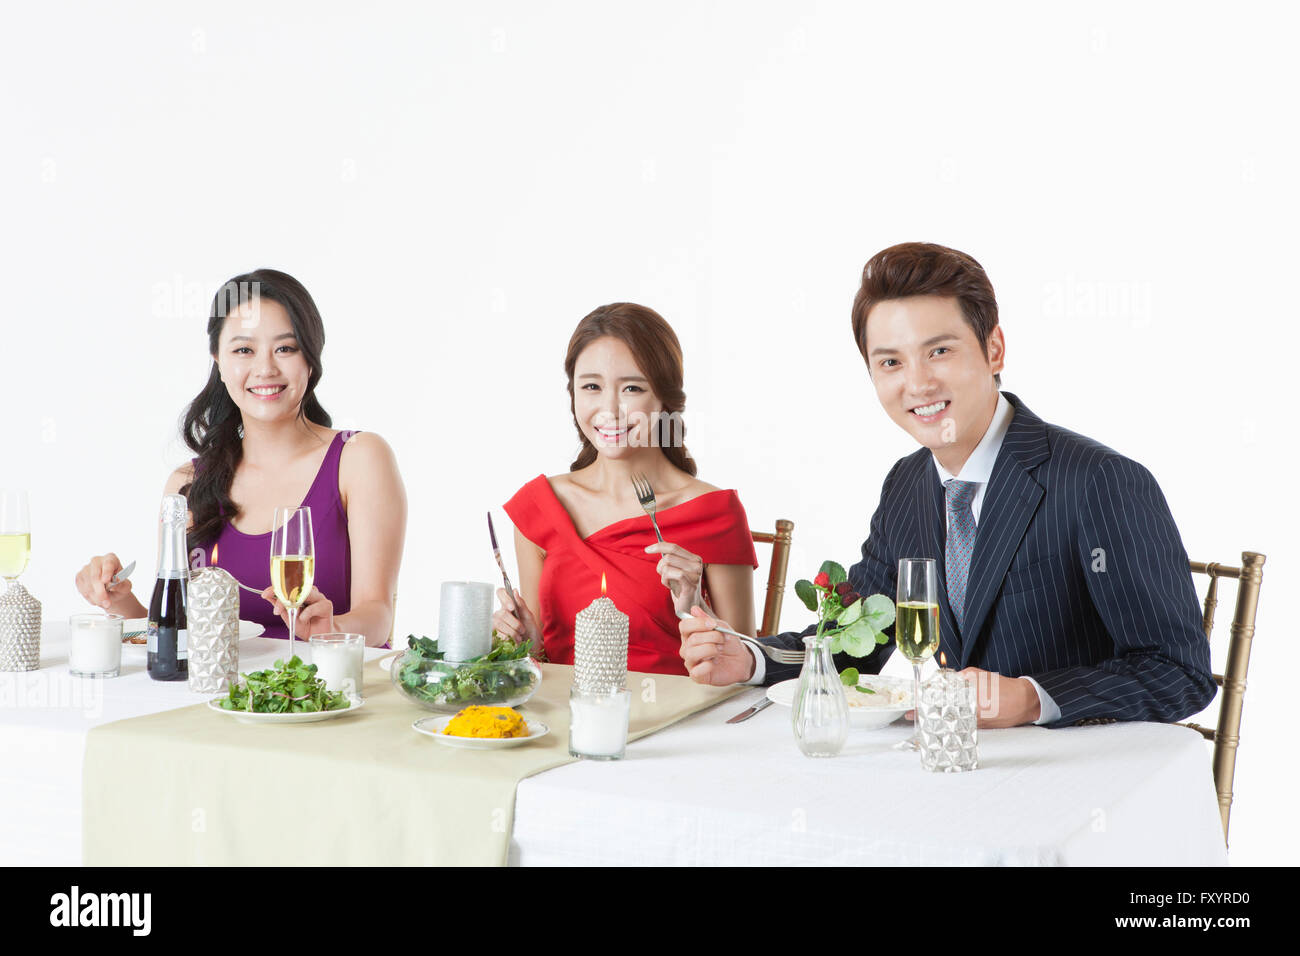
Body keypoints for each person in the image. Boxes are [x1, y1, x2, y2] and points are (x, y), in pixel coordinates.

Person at [679, 242, 1216, 727]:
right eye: (890, 362)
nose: (917, 383)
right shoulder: (907, 484)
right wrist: (748, 659)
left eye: (939, 351)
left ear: (995, 349)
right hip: (954, 772)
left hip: (1076, 786)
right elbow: (856, 638)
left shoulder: (1102, 481)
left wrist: (1032, 698)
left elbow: (1177, 672)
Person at [75, 269, 406, 646]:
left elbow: (378, 612)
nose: (265, 369)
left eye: (286, 348)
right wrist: (118, 601)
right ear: (217, 358)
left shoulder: (358, 458)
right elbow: (177, 635)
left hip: (327, 694)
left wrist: (330, 630)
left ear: (311, 356)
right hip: (221, 700)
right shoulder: (187, 483)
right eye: (244, 350)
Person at [494, 302, 758, 675]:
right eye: (591, 387)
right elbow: (543, 663)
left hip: (678, 722)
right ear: (573, 395)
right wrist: (528, 644)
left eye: (632, 388)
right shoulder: (540, 507)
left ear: (666, 399)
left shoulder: (713, 512)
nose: (610, 409)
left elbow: (744, 666)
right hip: (568, 718)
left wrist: (693, 606)